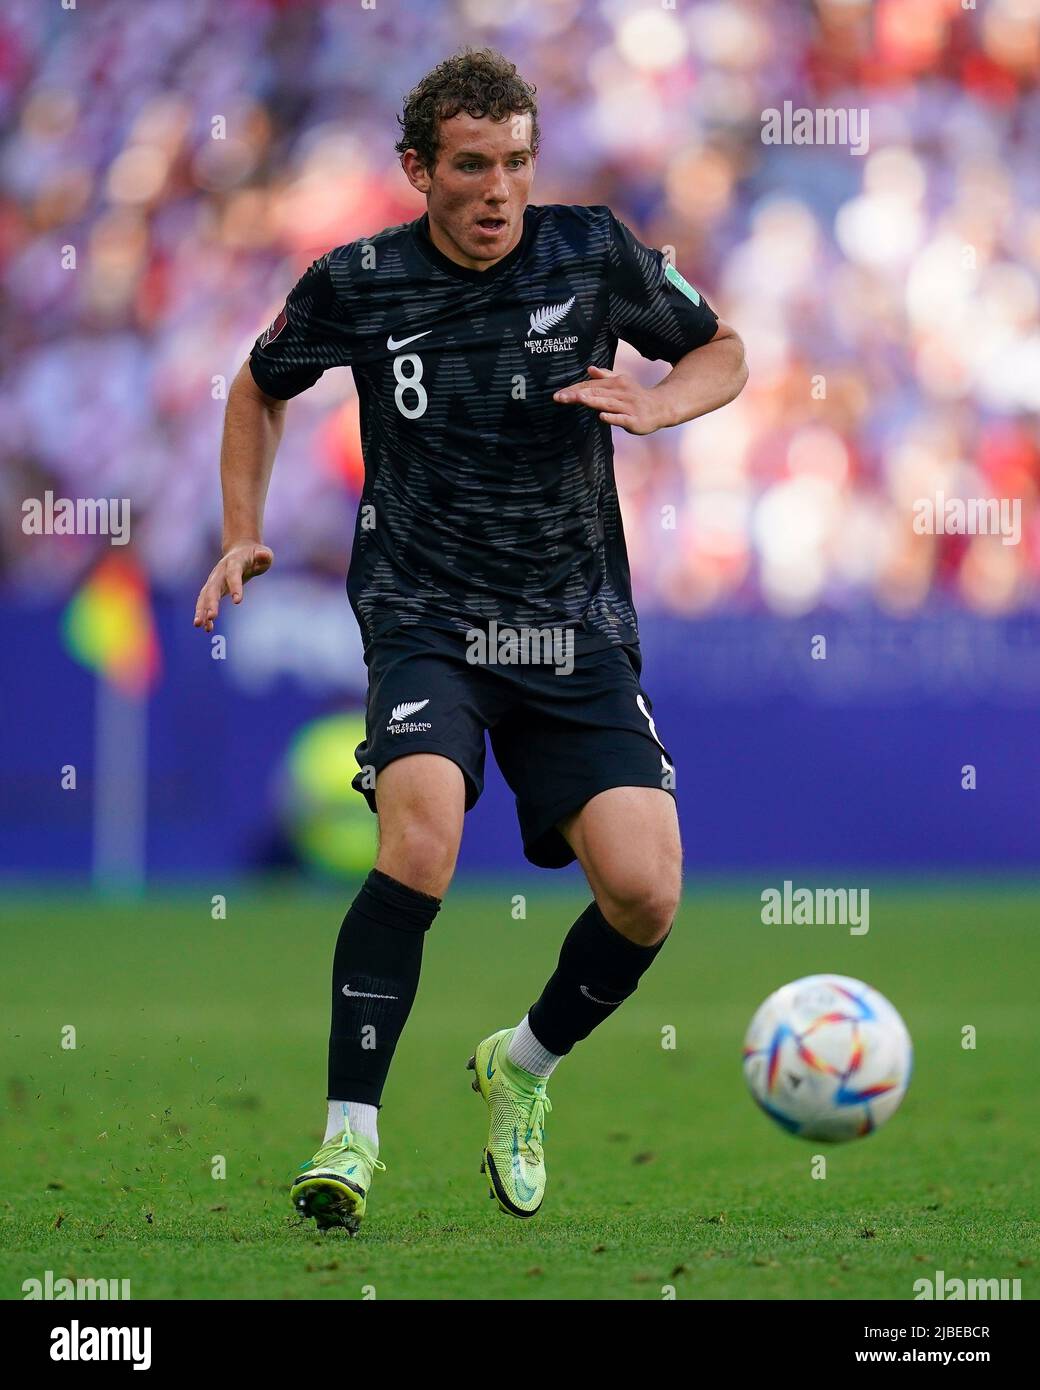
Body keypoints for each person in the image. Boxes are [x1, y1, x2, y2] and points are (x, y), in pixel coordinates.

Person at [193, 47, 747, 1233]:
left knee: (646, 893)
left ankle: (523, 1067)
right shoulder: (357, 280)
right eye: (471, 165)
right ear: (417, 171)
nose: (498, 189)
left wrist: (654, 401)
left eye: (515, 163)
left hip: (571, 622)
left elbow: (722, 348)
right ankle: (349, 1137)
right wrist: (241, 531)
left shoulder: (588, 250)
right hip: (424, 614)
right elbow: (258, 385)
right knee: (421, 838)